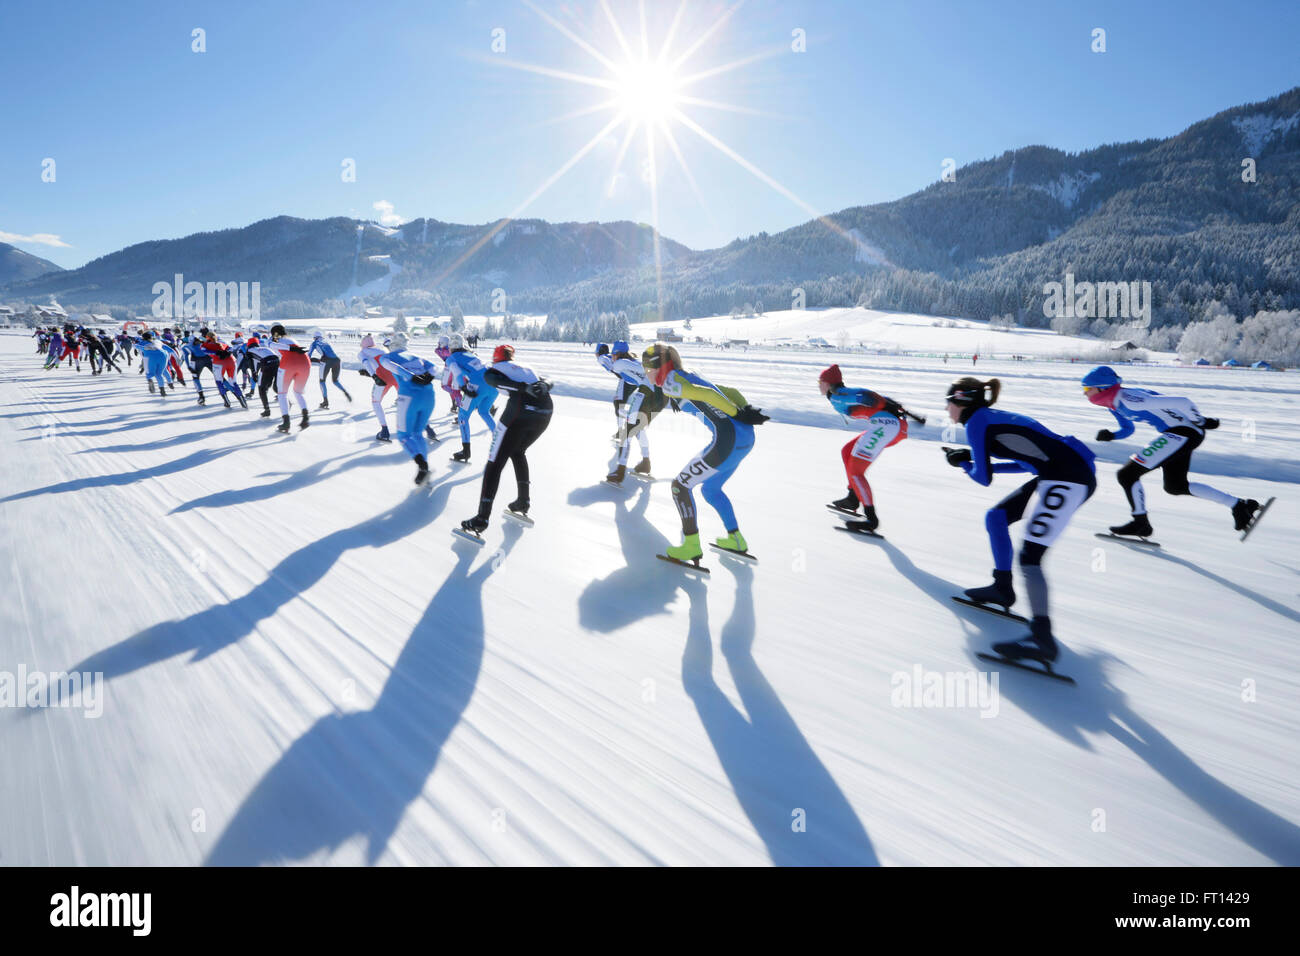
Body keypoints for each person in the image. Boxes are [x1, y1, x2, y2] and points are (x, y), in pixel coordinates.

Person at [943, 377, 1096, 664]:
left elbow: (983, 478)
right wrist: (974, 461)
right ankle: (1002, 587)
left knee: (1031, 557)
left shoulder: (977, 422)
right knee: (997, 517)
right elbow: (1025, 462)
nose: (946, 407)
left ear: (962, 400)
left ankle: (1042, 638)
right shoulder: (989, 418)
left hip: (1067, 477)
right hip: (1062, 472)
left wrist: (963, 463)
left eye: (948, 401)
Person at [1080, 366, 1260, 537]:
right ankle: (1239, 505)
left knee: (1127, 474)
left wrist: (1201, 421)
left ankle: (1140, 523)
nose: (1085, 393)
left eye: (1088, 388)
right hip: (1181, 434)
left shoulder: (1128, 398)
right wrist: (1112, 435)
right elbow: (1128, 429)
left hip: (1182, 433)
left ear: (1103, 388)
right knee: (1175, 486)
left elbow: (1183, 402)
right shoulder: (1115, 404)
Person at [641, 343, 769, 562]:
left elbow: (709, 394)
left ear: (657, 367)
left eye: (646, 369)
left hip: (728, 439)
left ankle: (691, 545)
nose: (646, 374)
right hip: (745, 438)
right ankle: (736, 538)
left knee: (679, 486)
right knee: (711, 489)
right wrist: (744, 410)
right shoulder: (685, 374)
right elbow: (729, 392)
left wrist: (738, 413)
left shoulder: (671, 383)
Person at [459, 344, 553, 535]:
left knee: (494, 463)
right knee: (518, 452)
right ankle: (523, 501)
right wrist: (542, 385)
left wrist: (523, 388)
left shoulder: (494, 368)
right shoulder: (526, 366)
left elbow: (492, 379)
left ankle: (481, 519)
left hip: (519, 413)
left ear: (496, 358)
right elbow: (549, 381)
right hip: (545, 413)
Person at [818, 364, 909, 533]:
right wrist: (888, 403)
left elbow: (865, 394)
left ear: (829, 383)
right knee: (847, 451)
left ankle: (871, 519)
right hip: (889, 425)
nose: (818, 384)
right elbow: (868, 397)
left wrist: (877, 400)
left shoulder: (838, 395)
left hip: (888, 426)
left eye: (821, 381)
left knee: (856, 471)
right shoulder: (837, 394)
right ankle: (853, 497)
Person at [377, 332, 440, 484]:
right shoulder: (415, 356)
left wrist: (410, 376)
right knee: (418, 433)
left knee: (403, 436)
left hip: (409, 397)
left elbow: (391, 366)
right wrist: (428, 376)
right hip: (429, 396)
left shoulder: (387, 356)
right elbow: (435, 367)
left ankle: (422, 465)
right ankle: (424, 470)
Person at [596, 340, 658, 483]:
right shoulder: (628, 361)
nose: (611, 357)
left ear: (617, 354)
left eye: (613, 354)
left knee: (628, 429)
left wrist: (601, 355)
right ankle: (645, 462)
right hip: (653, 395)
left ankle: (620, 472)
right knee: (637, 428)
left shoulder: (619, 363)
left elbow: (640, 368)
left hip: (646, 393)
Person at [443, 332, 498, 463]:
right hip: (493, 385)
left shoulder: (451, 358)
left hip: (477, 386)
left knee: (462, 416)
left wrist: (463, 387)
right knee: (484, 412)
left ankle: (465, 451)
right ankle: (501, 442)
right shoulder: (472, 354)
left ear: (451, 347)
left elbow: (456, 371)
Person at [264, 324, 312, 432]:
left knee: (282, 393)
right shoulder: (292, 339)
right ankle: (305, 417)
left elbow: (271, 344)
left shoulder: (275, 339)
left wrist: (289, 349)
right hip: (305, 363)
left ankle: (286, 422)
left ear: (274, 334)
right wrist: (292, 348)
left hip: (288, 363)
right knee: (298, 392)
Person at [357, 334, 399, 441]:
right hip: (396, 376)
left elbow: (366, 363)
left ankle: (384, 430)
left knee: (376, 402)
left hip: (383, 378)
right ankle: (427, 428)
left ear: (362, 344)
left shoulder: (362, 352)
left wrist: (374, 376)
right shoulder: (381, 349)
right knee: (408, 401)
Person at [309, 329, 352, 409]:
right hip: (337, 360)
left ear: (314, 338)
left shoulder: (314, 343)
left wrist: (309, 361)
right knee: (335, 381)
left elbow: (308, 355)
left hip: (326, 361)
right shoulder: (326, 342)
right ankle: (345, 392)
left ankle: (325, 401)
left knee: (322, 381)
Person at [133, 331, 172, 399]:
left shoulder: (142, 342)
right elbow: (168, 345)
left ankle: (150, 379)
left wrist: (134, 345)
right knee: (159, 374)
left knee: (149, 373)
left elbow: (137, 346)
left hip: (148, 356)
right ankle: (162, 390)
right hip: (163, 355)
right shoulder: (157, 341)